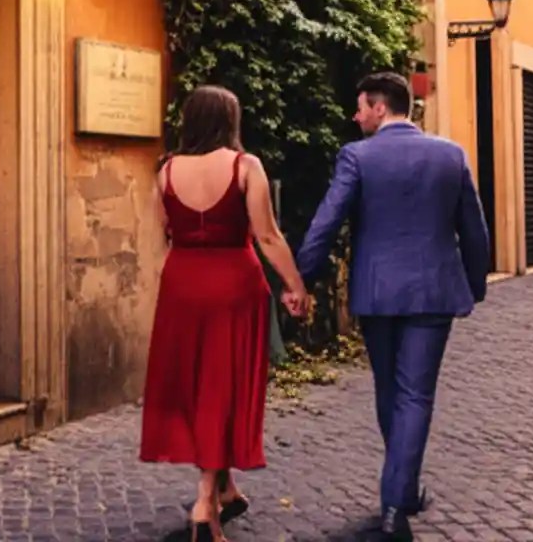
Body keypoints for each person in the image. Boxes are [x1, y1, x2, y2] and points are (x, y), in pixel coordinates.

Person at [294, 72, 489, 541]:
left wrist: (299, 277)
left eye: (360, 106)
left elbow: (327, 221)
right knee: (415, 395)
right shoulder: (450, 155)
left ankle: (396, 501)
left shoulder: (357, 156)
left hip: (378, 293)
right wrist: (475, 282)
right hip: (433, 292)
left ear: (380, 107)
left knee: (390, 390)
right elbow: (475, 229)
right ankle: (399, 495)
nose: (355, 115)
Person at [140, 85, 310, 542]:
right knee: (225, 387)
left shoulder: (165, 171)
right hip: (234, 285)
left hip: (182, 285)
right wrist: (296, 286)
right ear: (229, 122)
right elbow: (268, 236)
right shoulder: (245, 166)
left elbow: (160, 237)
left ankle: (227, 488)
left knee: (199, 387)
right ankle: (204, 503)